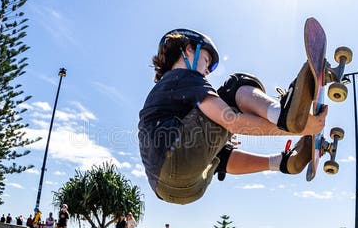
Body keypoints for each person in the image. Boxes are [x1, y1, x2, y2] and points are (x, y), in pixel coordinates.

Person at [138, 28, 326, 204]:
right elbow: (232, 121)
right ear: (188, 51)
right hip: (179, 157)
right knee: (234, 86)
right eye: (205, 60)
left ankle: (282, 162)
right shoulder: (183, 76)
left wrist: (220, 139)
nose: (206, 71)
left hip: (173, 190)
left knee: (221, 151)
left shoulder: (165, 93)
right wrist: (296, 128)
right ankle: (281, 114)